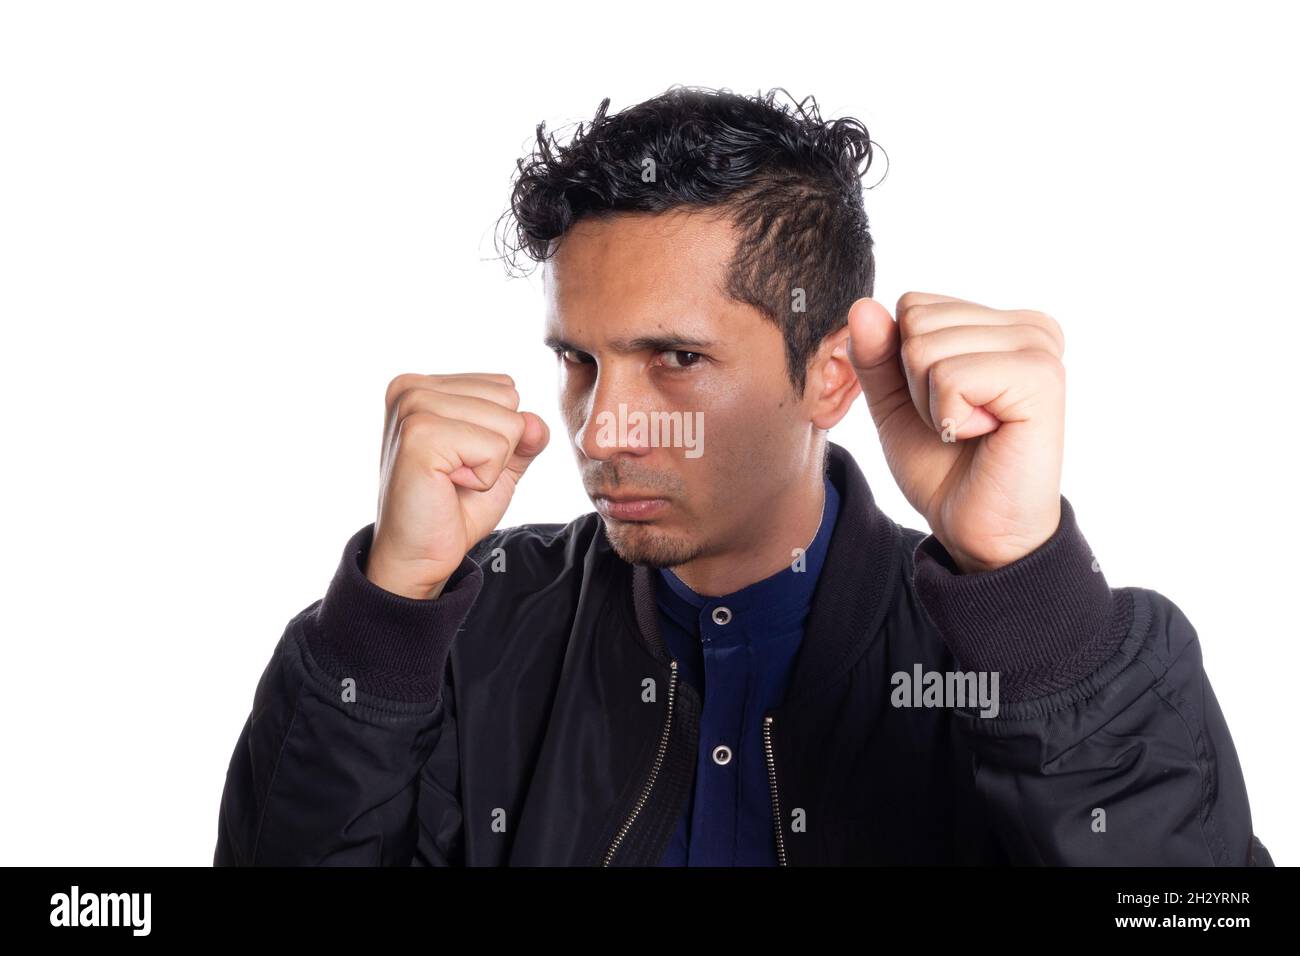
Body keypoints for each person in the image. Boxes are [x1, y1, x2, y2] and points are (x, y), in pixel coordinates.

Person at [214, 86, 1271, 866]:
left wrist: (1027, 588)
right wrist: (388, 614)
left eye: (674, 358)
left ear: (826, 379)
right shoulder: (463, 633)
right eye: (579, 360)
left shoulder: (1025, 655)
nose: (602, 428)